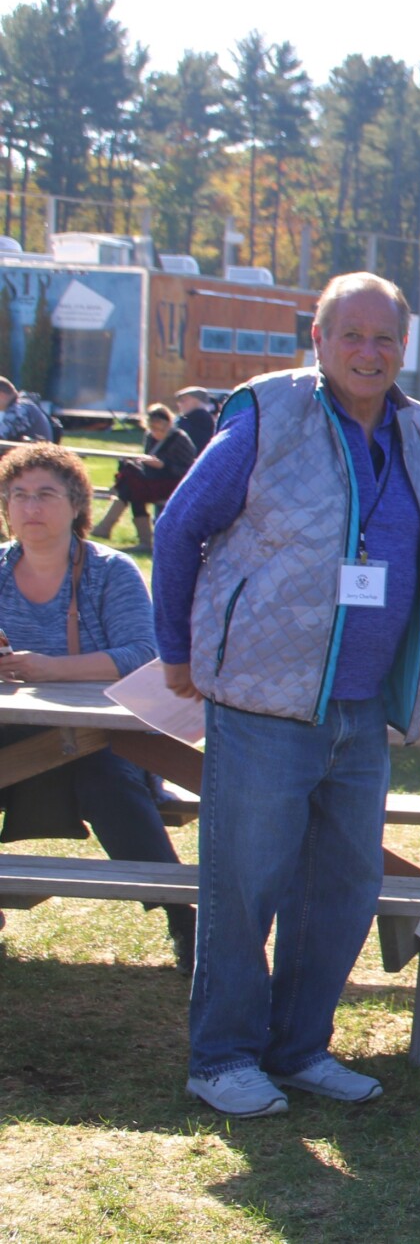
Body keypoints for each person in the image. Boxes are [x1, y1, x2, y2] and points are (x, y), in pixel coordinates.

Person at [154, 271, 420, 1119]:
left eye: (384, 337)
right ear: (317, 340)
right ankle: (222, 1058)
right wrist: (177, 649)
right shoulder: (268, 411)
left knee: (343, 890)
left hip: (361, 708)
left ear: (404, 345)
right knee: (245, 887)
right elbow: (180, 526)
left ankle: (297, 1047)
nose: (368, 351)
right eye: (350, 334)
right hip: (262, 698)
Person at [0, 444, 193, 970]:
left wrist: (50, 667)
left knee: (107, 780)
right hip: (12, 725)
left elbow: (143, 653)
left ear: (77, 503)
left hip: (107, 732)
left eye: (45, 495)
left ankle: (184, 918)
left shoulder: (111, 570)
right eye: (18, 495)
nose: (30, 507)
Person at [93, 404, 197, 546]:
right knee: (132, 485)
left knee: (131, 486)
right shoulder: (150, 437)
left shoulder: (179, 438)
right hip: (151, 480)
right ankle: (142, 540)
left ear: (168, 424)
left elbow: (189, 469)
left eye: (161, 428)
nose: (156, 432)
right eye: (153, 428)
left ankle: (109, 528)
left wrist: (163, 465)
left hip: (173, 483)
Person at [0, 377, 54, 443]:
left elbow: (2, 434)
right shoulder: (17, 406)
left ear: (1, 395)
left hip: (36, 452)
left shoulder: (21, 408)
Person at [174, 387, 216, 454]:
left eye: (183, 400)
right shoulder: (188, 418)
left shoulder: (200, 419)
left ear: (196, 401)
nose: (179, 404)